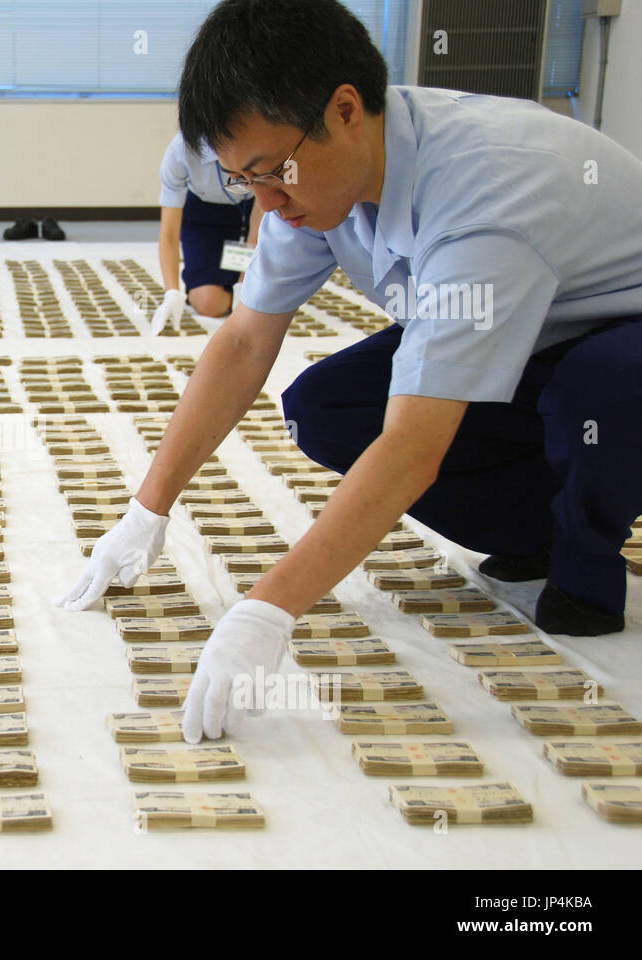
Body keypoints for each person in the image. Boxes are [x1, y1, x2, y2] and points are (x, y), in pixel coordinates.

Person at [57, 0, 642, 744]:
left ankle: (584, 572)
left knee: (595, 398)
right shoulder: (321, 188)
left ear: (344, 111)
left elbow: (414, 445)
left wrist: (269, 607)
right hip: (537, 328)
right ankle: (536, 528)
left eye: (272, 173)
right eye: (244, 182)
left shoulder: (485, 197)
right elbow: (243, 342)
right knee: (324, 408)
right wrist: (148, 509)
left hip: (619, 335)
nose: (265, 204)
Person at [152, 131, 262, 330]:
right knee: (209, 303)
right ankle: (221, 282)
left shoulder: (260, 139)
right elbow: (169, 233)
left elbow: (260, 218)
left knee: (263, 301)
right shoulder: (182, 149)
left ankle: (238, 283)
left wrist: (245, 281)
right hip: (202, 218)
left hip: (249, 214)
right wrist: (172, 292)